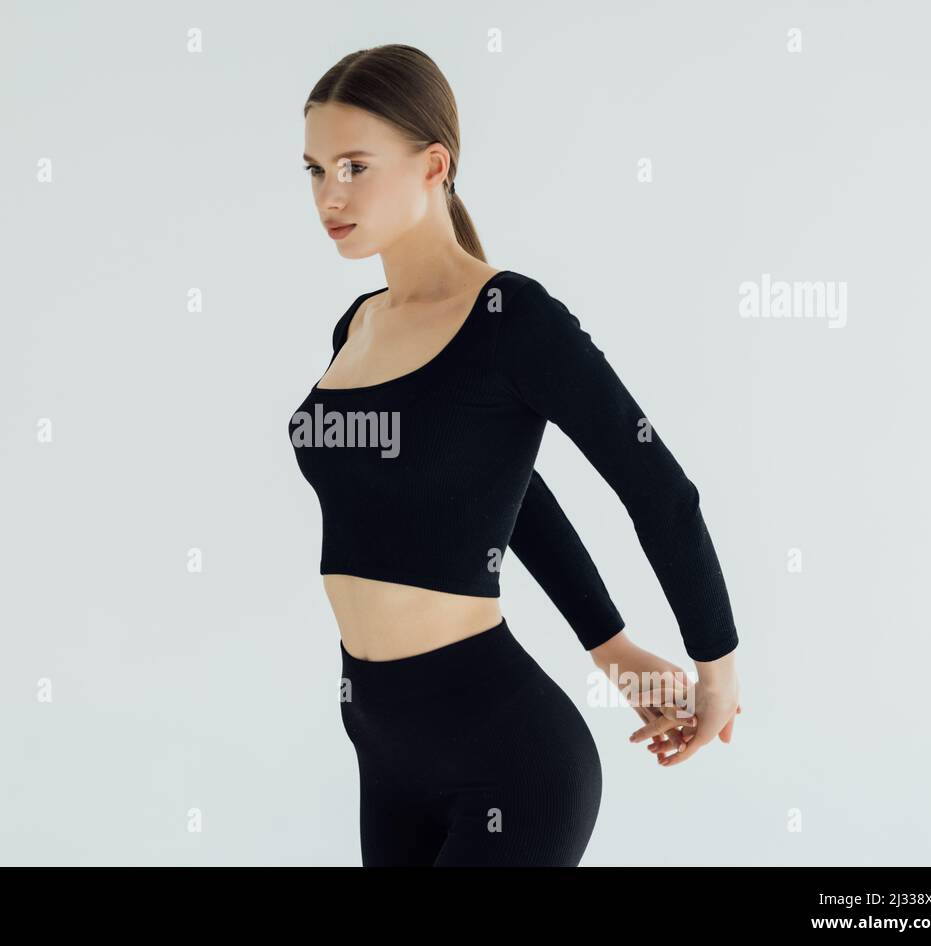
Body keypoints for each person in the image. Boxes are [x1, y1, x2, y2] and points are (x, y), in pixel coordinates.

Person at [290, 44, 742, 866]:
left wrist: (718, 672)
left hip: (508, 758)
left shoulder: (511, 315)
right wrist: (607, 639)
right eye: (316, 169)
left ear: (435, 164)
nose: (330, 194)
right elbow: (504, 486)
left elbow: (660, 490)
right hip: (380, 742)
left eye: (355, 166)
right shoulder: (358, 323)